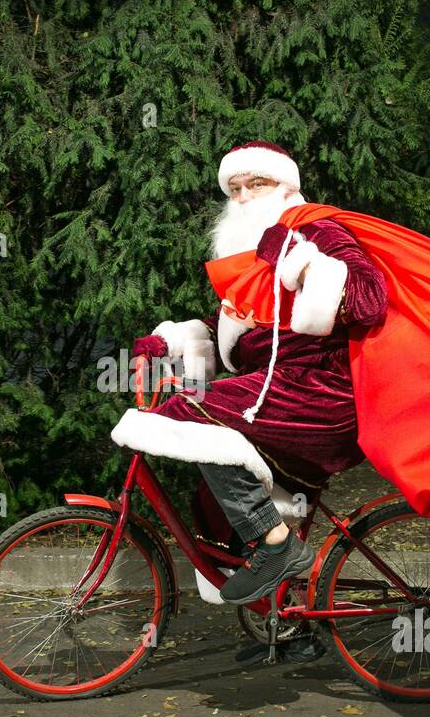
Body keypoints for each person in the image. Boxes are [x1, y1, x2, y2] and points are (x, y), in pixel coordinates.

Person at [110, 141, 389, 660]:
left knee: (192, 411)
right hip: (279, 393)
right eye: (233, 188)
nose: (241, 197)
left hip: (319, 394)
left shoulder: (314, 230)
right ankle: (291, 626)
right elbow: (237, 335)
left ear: (286, 188)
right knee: (233, 495)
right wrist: (171, 342)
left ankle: (276, 545)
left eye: (255, 185)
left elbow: (370, 300)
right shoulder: (253, 257)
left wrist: (295, 255)